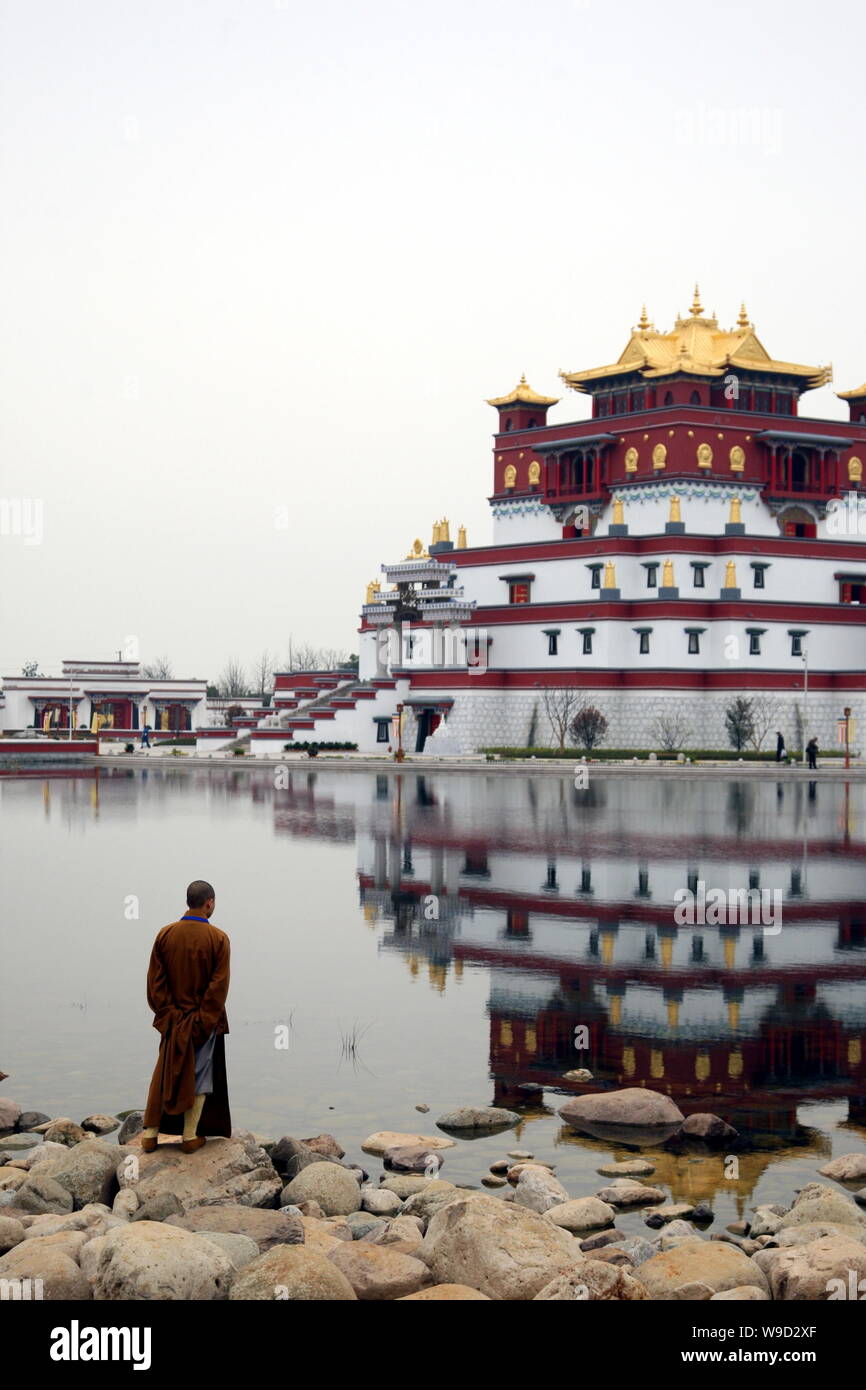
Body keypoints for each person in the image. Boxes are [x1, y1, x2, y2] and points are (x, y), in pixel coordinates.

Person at [140, 880, 231, 1154]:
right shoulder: (219, 939)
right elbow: (218, 988)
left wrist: (168, 1016)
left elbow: (155, 983)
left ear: (188, 901)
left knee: (164, 1072)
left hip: (173, 1019)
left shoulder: (165, 934)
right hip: (201, 1021)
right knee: (200, 1075)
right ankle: (190, 1137)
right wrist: (202, 1022)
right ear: (210, 903)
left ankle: (150, 1134)